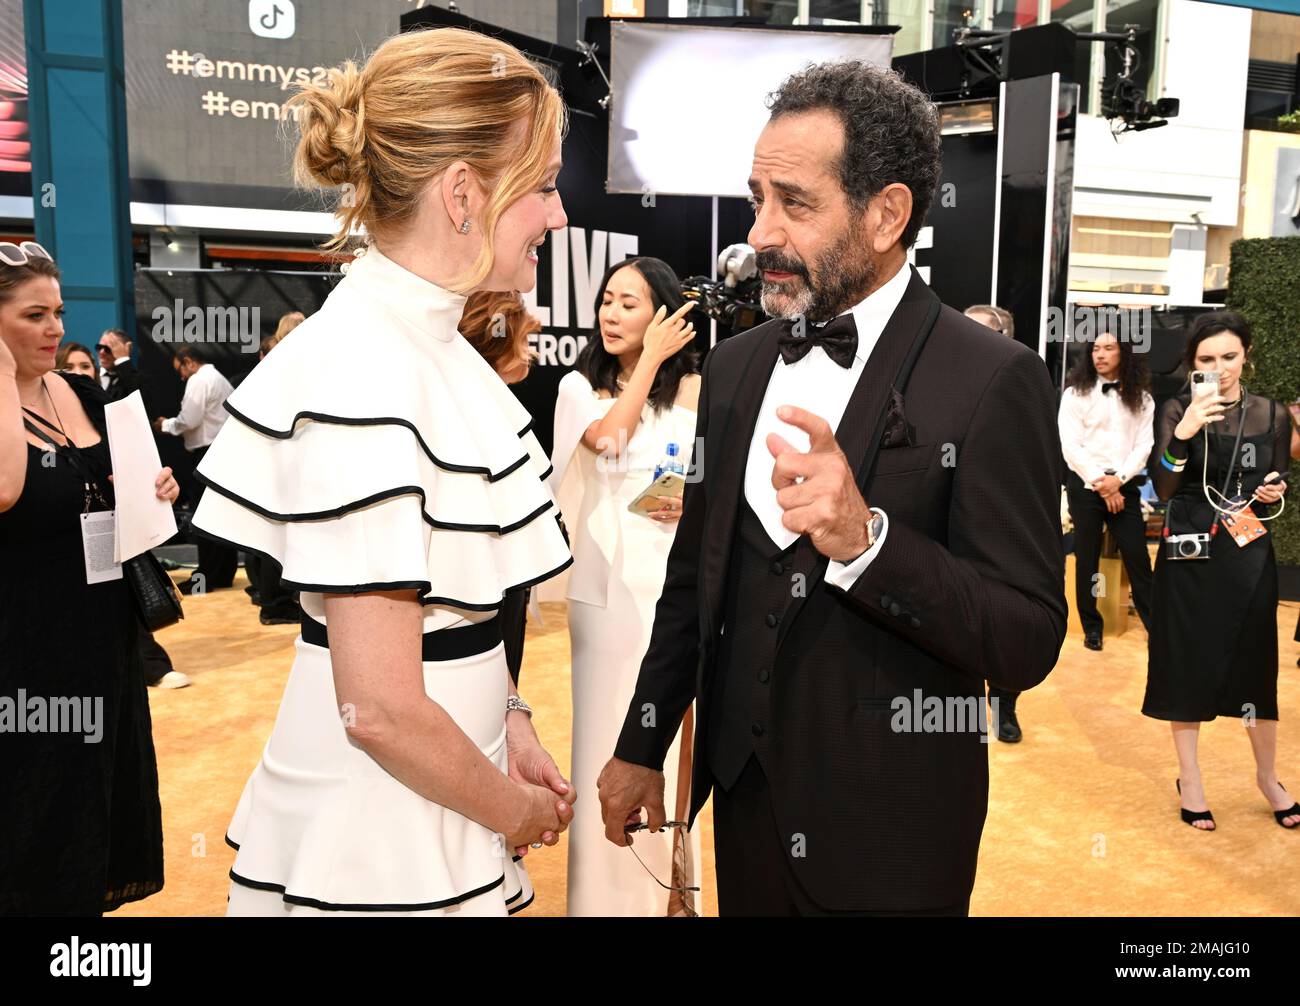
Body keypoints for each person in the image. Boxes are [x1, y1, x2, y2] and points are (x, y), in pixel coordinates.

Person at [596, 61, 1067, 917]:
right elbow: (696, 580)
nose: (759, 234)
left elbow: (1027, 637)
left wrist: (870, 544)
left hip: (892, 831)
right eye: (755, 198)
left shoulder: (994, 379)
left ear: (887, 213)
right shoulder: (735, 366)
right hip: (743, 804)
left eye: (795, 203)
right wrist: (643, 742)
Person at [190, 27, 576, 916]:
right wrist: (512, 810)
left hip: (430, 796)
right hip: (382, 832)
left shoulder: (425, 349)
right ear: (463, 193)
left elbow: (444, 612)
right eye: (545, 185)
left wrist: (508, 717)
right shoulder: (366, 371)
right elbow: (380, 712)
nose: (556, 215)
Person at [0, 241, 176, 913]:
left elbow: (104, 485)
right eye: (33, 315)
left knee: (96, 816)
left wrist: (151, 487)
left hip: (105, 644)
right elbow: (7, 488)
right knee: (32, 828)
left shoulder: (76, 390)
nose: (54, 330)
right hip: (26, 656)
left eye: (59, 313)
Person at [544, 256, 703, 916]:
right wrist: (647, 363)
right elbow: (610, 442)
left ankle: (669, 893)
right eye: (608, 300)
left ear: (662, 313)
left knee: (672, 739)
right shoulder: (578, 388)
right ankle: (605, 902)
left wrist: (676, 500)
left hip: (674, 581)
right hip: (605, 592)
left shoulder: (693, 387)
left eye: (629, 303)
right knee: (611, 738)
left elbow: (683, 483)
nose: (611, 313)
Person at [1143, 311, 1298, 831]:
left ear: (1245, 355)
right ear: (1193, 364)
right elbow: (1162, 489)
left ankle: (1268, 777)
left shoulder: (1272, 414)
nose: (1221, 367)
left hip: (1248, 551)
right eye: (1207, 359)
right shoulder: (1176, 410)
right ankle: (1191, 778)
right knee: (1186, 661)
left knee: (1255, 661)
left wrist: (1275, 490)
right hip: (1189, 549)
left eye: (1229, 356)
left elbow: (1275, 478)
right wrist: (1182, 434)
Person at [459, 290, 543, 684]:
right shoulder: (474, 420)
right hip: (483, 598)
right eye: (524, 340)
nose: (532, 354)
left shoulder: (495, 410)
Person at [964, 304, 1030, 742]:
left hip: (1002, 523)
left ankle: (1005, 701)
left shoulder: (1020, 385)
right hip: (950, 524)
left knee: (1005, 617)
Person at [154, 345, 237, 594]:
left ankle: (207, 577)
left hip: (207, 455)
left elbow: (188, 419)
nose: (181, 377)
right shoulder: (218, 378)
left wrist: (165, 425)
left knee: (204, 515)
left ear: (188, 362)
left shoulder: (199, 380)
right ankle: (222, 573)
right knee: (221, 516)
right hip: (221, 453)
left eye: (180, 370)